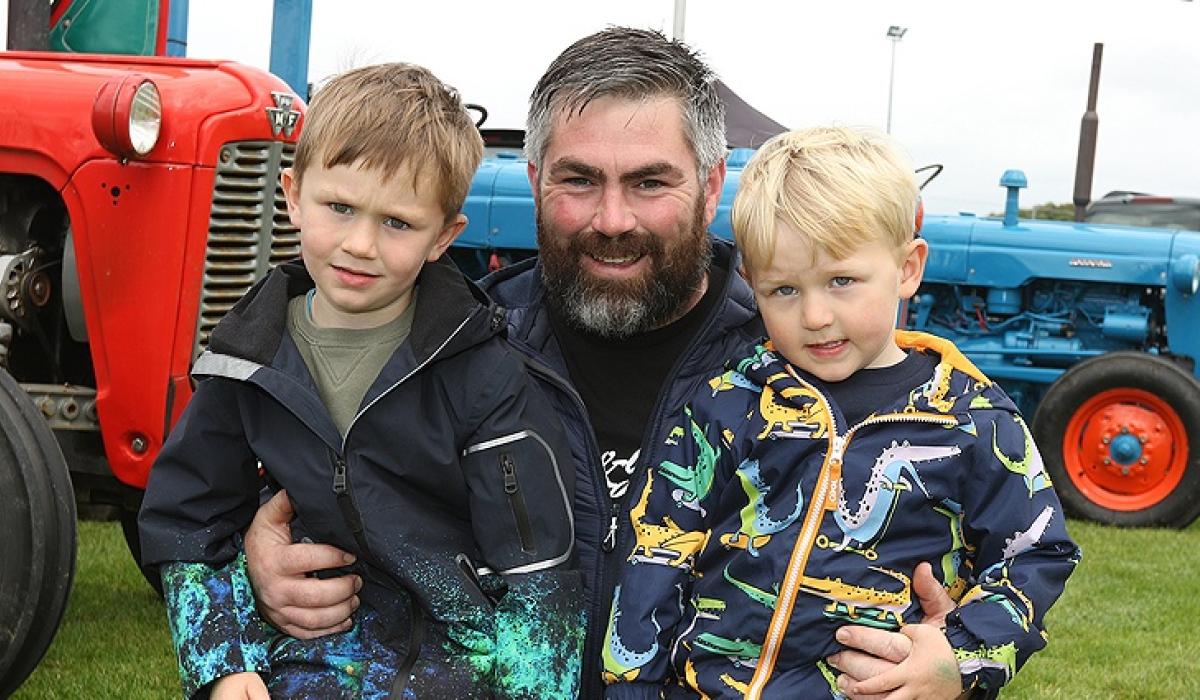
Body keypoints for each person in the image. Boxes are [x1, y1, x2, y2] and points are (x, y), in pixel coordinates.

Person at [239, 28, 960, 699]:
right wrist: (257, 576)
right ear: (534, 179)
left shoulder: (808, 363)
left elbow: (966, 564)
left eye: (650, 183)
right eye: (579, 180)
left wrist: (957, 657)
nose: (613, 220)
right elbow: (236, 504)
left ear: (712, 186)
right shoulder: (441, 352)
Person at [137, 62, 583, 699]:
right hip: (305, 668)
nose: (361, 244)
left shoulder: (484, 376)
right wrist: (223, 667)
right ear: (293, 195)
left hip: (460, 677)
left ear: (443, 236)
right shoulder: (246, 363)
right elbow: (187, 522)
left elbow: (541, 576)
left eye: (397, 222)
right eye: (340, 208)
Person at [602, 126, 1081, 699]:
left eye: (842, 281)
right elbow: (659, 545)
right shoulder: (729, 400)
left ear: (907, 268)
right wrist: (631, 684)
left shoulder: (975, 421)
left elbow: (1035, 553)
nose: (815, 316)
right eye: (783, 290)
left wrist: (960, 658)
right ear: (751, 284)